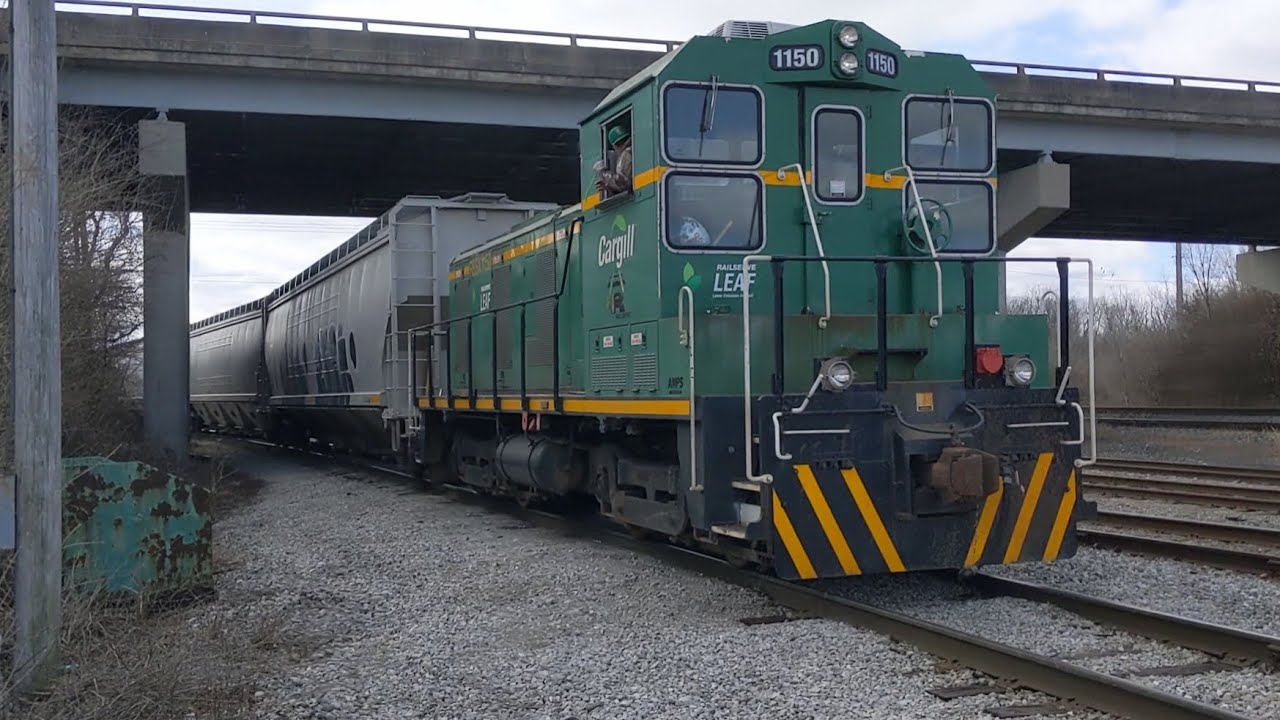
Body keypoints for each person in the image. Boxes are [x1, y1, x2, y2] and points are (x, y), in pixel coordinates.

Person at [596, 126, 633, 195]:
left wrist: (603, 173)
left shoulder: (626, 153)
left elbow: (623, 183)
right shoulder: (634, 148)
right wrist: (610, 187)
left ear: (615, 146)